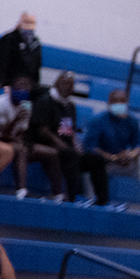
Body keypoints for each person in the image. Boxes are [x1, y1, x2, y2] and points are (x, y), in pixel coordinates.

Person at [81, 89, 140, 210]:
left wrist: (130, 155)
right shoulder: (98, 121)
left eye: (122, 102)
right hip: (104, 164)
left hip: (124, 162)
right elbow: (90, 147)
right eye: (116, 102)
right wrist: (112, 157)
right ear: (109, 103)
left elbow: (139, 145)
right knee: (93, 163)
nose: (119, 105)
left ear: (127, 103)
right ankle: (92, 201)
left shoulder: (132, 121)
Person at [26, 73, 84, 201]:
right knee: (71, 155)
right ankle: (71, 197)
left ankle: (92, 199)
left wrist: (76, 144)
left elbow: (71, 129)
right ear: (56, 84)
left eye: (70, 84)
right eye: (64, 83)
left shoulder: (70, 106)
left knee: (92, 159)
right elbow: (42, 130)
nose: (67, 87)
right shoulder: (45, 101)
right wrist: (61, 144)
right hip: (45, 142)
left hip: (65, 143)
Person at [0, 78, 33, 197]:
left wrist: (19, 138)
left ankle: (21, 190)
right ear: (12, 91)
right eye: (19, 92)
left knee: (21, 149)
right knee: (12, 149)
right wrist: (16, 120)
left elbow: (21, 131)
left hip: (8, 140)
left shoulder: (26, 105)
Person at [0, 16, 40, 89]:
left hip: (26, 85)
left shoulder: (35, 43)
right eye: (26, 22)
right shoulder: (9, 38)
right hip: (8, 82)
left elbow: (37, 65)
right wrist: (3, 81)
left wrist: (35, 84)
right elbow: (0, 60)